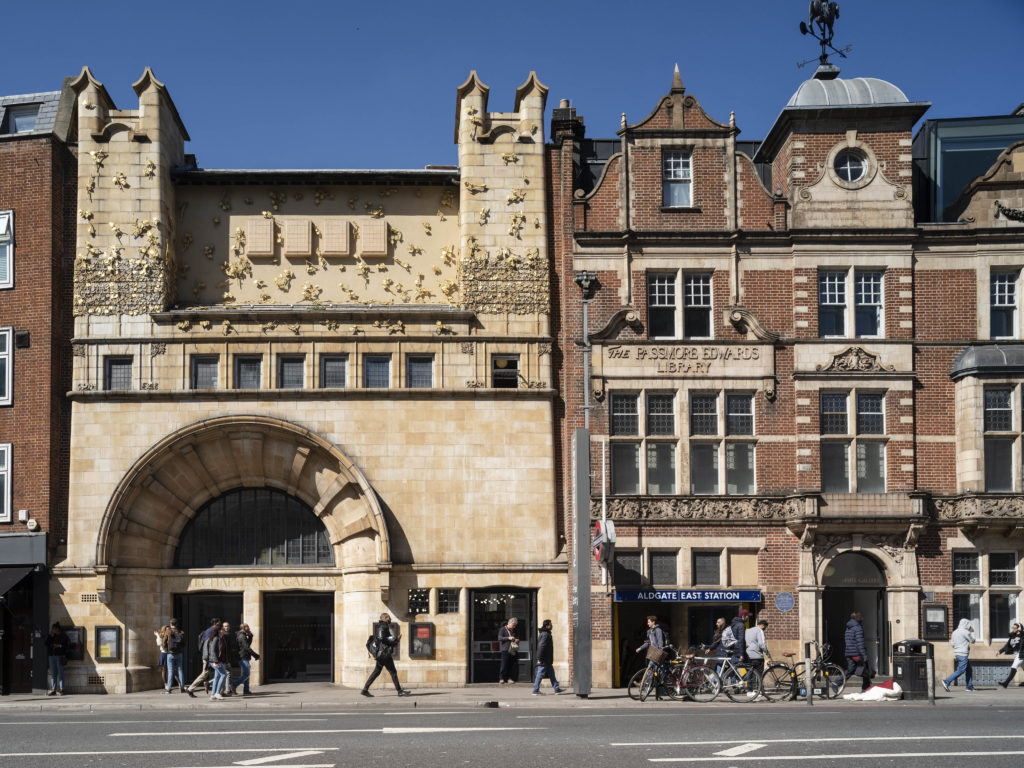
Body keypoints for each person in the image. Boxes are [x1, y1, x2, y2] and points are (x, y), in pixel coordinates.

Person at [361, 612, 410, 697]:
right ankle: (399, 691)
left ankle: (365, 689)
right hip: (384, 655)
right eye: (389, 617)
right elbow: (382, 639)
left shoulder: (383, 626)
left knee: (376, 672)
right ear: (386, 618)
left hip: (382, 654)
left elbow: (384, 640)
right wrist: (394, 639)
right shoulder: (383, 626)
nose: (390, 619)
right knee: (393, 672)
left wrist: (394, 639)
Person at [185, 617, 221, 697]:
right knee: (206, 674)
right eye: (219, 623)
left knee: (220, 673)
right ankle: (190, 689)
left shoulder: (208, 630)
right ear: (215, 623)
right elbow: (210, 646)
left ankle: (218, 691)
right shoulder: (213, 631)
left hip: (207, 656)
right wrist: (211, 658)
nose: (220, 625)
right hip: (208, 657)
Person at [942, 618, 976, 692]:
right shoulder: (965, 632)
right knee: (961, 670)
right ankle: (946, 681)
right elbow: (973, 641)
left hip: (957, 653)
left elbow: (952, 644)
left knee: (969, 669)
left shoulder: (955, 632)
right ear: (966, 625)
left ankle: (969, 686)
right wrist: (972, 632)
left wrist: (958, 647)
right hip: (963, 654)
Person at [531, 619, 564, 695]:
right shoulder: (545, 634)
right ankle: (535, 690)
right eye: (551, 624)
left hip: (547, 659)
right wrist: (539, 658)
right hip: (544, 659)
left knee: (551, 674)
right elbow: (541, 646)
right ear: (547, 626)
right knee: (540, 674)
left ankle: (556, 688)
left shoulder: (546, 633)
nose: (552, 625)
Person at [844, 612, 873, 691]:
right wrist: (865, 656)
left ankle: (836, 682)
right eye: (860, 617)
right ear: (856, 618)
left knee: (850, 670)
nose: (862, 618)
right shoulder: (858, 628)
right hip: (857, 653)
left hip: (849, 653)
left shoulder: (848, 627)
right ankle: (865, 689)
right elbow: (860, 643)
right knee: (866, 671)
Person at [232, 622, 260, 696]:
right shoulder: (242, 636)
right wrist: (256, 655)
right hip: (243, 657)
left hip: (244, 656)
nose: (249, 628)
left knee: (246, 674)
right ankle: (234, 685)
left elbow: (247, 644)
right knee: (246, 674)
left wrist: (250, 636)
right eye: (247, 627)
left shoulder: (243, 635)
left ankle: (246, 690)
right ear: (244, 628)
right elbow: (247, 648)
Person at [204, 622, 229, 701]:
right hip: (214, 661)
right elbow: (212, 650)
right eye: (222, 629)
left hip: (220, 661)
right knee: (224, 674)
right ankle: (217, 692)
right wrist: (215, 662)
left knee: (217, 677)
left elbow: (224, 652)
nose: (224, 629)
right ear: (219, 631)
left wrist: (227, 661)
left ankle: (212, 695)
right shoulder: (216, 638)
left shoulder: (222, 639)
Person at [45, 622, 69, 696]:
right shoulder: (51, 636)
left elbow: (67, 645)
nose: (52, 630)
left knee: (60, 673)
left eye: (53, 629)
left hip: (60, 656)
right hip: (51, 656)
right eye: (52, 629)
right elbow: (46, 644)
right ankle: (53, 689)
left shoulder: (63, 636)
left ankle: (62, 689)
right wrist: (50, 636)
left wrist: (60, 646)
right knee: (53, 673)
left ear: (57, 629)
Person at [164, 618, 186, 693]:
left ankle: (169, 688)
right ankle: (182, 687)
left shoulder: (168, 631)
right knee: (180, 670)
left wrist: (166, 649)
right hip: (179, 653)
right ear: (177, 624)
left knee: (170, 671)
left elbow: (164, 642)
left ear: (170, 624)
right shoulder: (181, 632)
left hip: (170, 653)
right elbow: (184, 643)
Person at [498, 617, 520, 684]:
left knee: (512, 665)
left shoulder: (514, 630)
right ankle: (501, 678)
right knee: (504, 664)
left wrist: (517, 640)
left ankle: (510, 678)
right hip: (505, 649)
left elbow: (517, 638)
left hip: (513, 650)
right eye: (513, 625)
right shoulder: (503, 629)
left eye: (515, 625)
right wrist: (508, 638)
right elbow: (499, 638)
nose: (514, 627)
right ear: (509, 623)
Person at [220, 621, 239, 696]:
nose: (226, 627)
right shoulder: (224, 636)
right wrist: (227, 660)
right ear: (222, 627)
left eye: (227, 626)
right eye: (225, 626)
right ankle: (228, 690)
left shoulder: (229, 635)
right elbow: (226, 649)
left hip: (227, 657)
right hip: (225, 658)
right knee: (228, 674)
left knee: (224, 674)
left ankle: (209, 683)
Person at [154, 624, 169, 689]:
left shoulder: (169, 635)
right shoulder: (161, 636)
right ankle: (165, 684)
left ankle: (179, 684)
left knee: (174, 670)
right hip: (164, 653)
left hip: (169, 654)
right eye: (167, 629)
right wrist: (157, 635)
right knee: (164, 670)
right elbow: (159, 644)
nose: (168, 630)